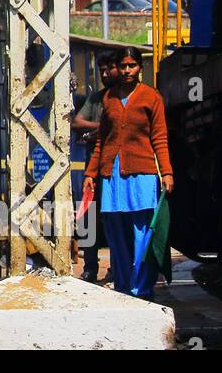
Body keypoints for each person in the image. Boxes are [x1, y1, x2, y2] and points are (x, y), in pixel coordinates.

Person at [81, 46, 173, 298]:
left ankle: (141, 288)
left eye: (132, 66)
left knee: (142, 230)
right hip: (112, 176)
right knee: (116, 232)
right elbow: (102, 140)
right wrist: (91, 174)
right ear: (117, 69)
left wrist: (166, 172)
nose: (127, 70)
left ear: (140, 68)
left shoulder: (151, 97)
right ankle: (123, 287)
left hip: (141, 173)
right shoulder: (108, 99)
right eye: (123, 66)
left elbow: (160, 137)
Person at [72, 52, 119, 281]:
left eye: (108, 68)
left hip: (118, 170)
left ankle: (117, 266)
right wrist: (102, 126)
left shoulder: (123, 98)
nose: (104, 74)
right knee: (88, 217)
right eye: (101, 69)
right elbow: (77, 121)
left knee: (114, 219)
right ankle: (90, 267)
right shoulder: (95, 99)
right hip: (93, 167)